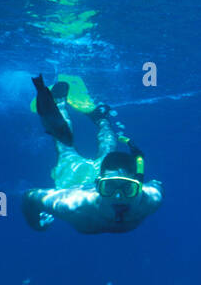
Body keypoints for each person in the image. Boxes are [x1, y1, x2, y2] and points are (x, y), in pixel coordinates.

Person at [22, 76, 162, 235]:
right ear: (97, 185)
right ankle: (64, 104)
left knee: (74, 146)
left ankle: (93, 115)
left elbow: (30, 197)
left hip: (74, 179)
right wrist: (37, 225)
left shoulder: (152, 200)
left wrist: (37, 225)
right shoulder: (72, 204)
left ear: (139, 186)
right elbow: (29, 197)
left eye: (127, 188)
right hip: (74, 182)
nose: (118, 196)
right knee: (77, 145)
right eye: (108, 187)